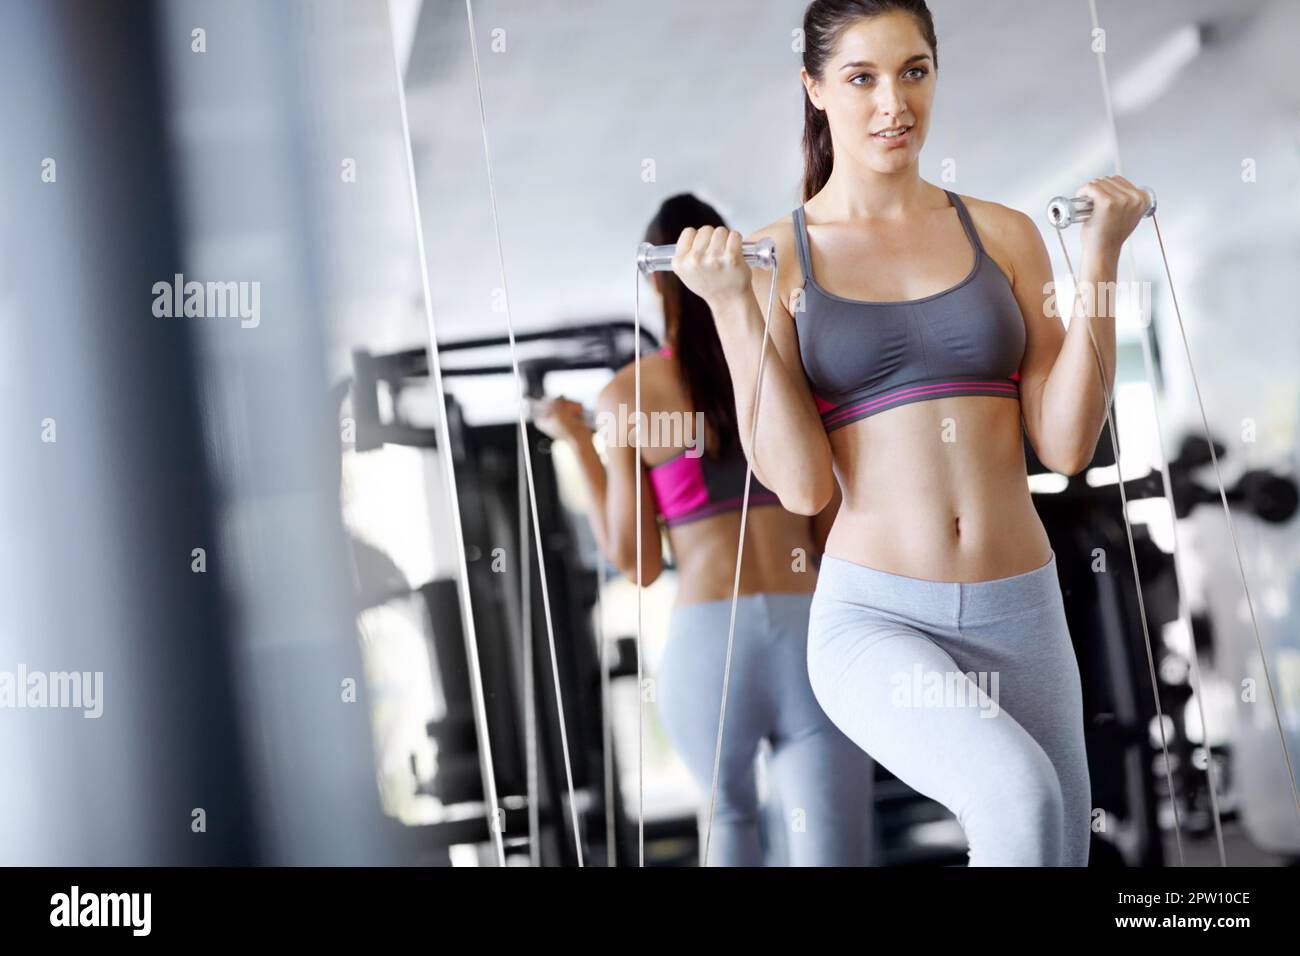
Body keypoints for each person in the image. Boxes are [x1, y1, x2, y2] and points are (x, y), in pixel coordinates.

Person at [671, 0, 1150, 866]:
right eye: (861, 77)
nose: (893, 103)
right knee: (1018, 796)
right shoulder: (777, 259)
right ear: (814, 87)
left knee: (1055, 841)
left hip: (1025, 605)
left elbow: (1066, 443)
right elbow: (806, 487)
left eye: (913, 71)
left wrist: (1102, 264)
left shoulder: (1003, 235)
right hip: (877, 616)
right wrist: (734, 312)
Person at [536, 193, 874, 866]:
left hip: (709, 640)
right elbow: (838, 527)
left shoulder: (628, 396)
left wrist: (578, 441)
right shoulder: (787, 363)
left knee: (728, 822)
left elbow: (638, 563)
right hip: (813, 625)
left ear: (658, 283)